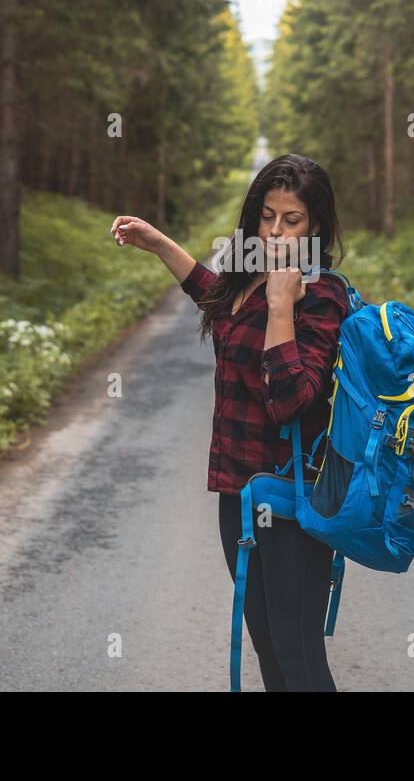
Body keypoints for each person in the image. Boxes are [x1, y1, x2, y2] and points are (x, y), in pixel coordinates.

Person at [110, 154, 347, 691]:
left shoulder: (321, 293)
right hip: (236, 493)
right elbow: (216, 299)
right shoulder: (250, 275)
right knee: (267, 643)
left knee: (299, 653)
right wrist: (158, 243)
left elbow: (292, 399)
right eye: (267, 216)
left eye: (292, 220)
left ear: (316, 225)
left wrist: (283, 306)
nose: (275, 231)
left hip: (293, 498)